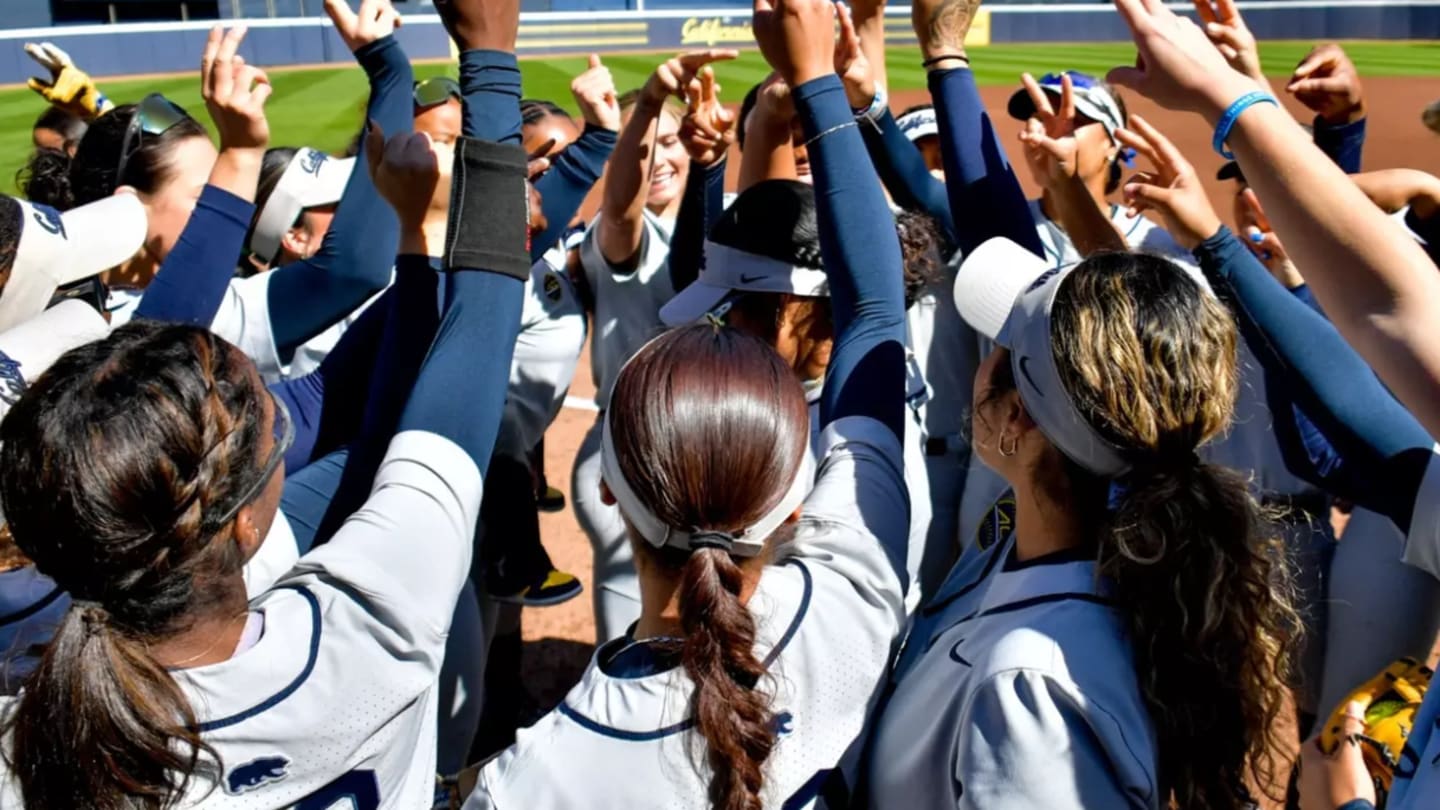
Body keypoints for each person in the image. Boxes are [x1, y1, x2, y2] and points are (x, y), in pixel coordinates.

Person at [0, 0, 530, 802]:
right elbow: (363, 407)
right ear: (243, 519)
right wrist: (431, 230)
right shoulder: (368, 623)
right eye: (250, 420)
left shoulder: (34, 730)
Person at [465, 0, 912, 801]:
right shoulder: (852, 602)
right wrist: (811, 85)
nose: (713, 320)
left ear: (608, 485)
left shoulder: (530, 780)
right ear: (788, 508)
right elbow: (874, 305)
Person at [573, 48, 736, 642]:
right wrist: (646, 106)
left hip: (705, 444)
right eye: (649, 143)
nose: (663, 156)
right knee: (631, 645)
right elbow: (621, 208)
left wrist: (712, 156)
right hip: (628, 452)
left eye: (673, 140)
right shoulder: (613, 236)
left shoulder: (725, 211)